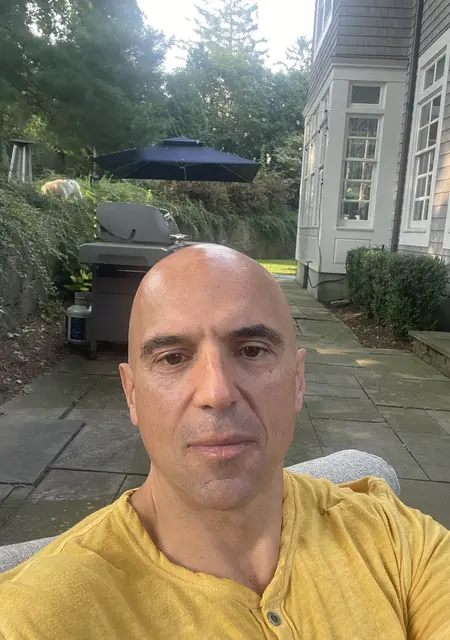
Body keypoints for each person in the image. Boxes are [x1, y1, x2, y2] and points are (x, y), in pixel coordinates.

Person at [0, 245, 449, 639]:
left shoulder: (397, 542)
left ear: (298, 380)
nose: (217, 393)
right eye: (173, 358)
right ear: (132, 393)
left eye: (252, 350)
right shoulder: (34, 617)